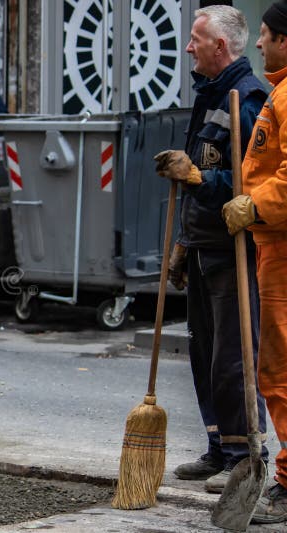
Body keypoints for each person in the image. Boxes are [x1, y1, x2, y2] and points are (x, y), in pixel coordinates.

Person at [154, 5, 269, 494]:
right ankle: (220, 446)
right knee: (204, 355)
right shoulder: (209, 94)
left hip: (231, 249)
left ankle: (244, 454)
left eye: (195, 39)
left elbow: (249, 184)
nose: (188, 47)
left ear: (219, 47)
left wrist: (199, 177)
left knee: (232, 358)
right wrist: (182, 242)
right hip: (201, 244)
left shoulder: (249, 98)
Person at [223, 1, 287, 523]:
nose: (260, 43)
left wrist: (254, 203)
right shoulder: (281, 94)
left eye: (265, 34)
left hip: (284, 253)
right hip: (274, 247)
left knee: (280, 372)